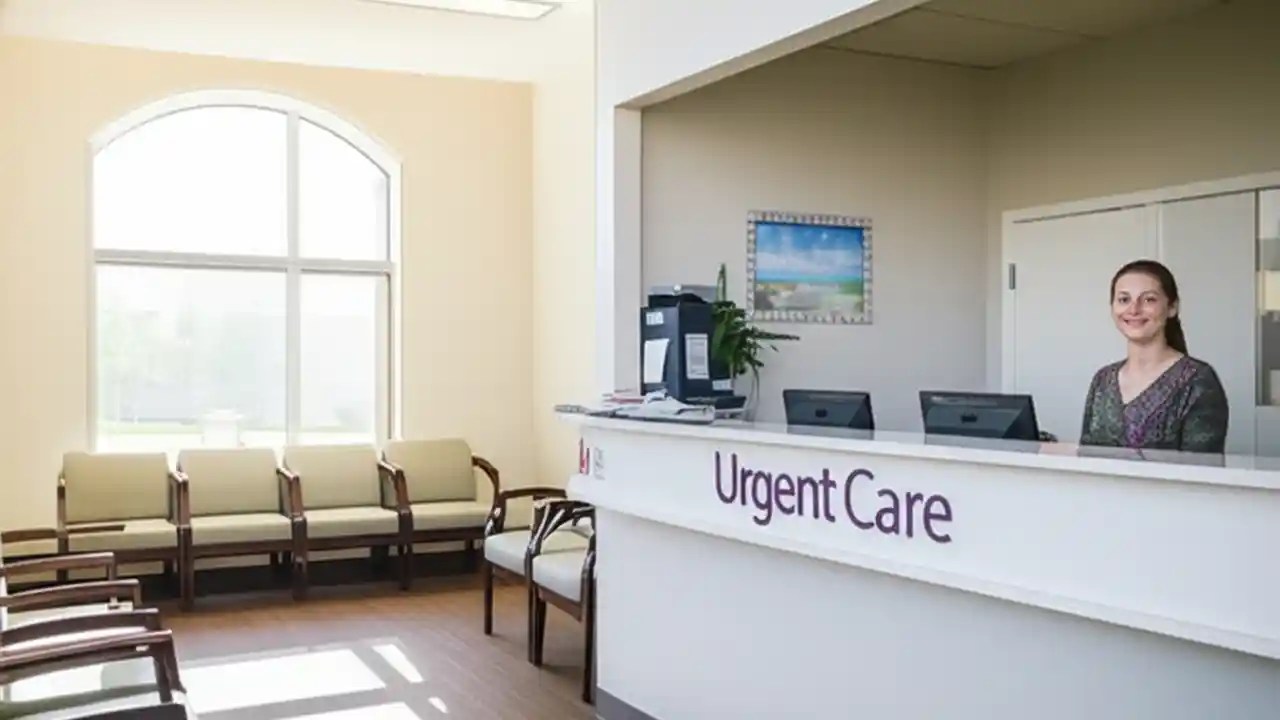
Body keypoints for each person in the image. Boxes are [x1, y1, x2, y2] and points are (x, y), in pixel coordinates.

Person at [1079, 259, 1229, 454]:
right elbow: (1086, 457)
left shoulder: (1197, 380)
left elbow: (1201, 472)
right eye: (1124, 300)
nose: (1133, 309)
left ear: (1172, 307)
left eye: (1149, 299)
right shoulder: (1103, 379)